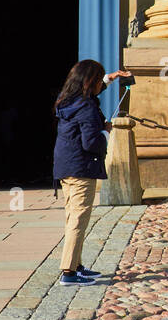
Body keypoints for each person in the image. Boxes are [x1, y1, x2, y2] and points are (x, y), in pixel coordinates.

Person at [52, 59, 131, 286]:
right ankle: (68, 272)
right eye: (99, 79)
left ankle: (76, 265)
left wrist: (109, 79)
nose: (100, 85)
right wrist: (105, 132)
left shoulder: (69, 100)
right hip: (81, 168)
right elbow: (91, 143)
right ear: (90, 82)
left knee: (72, 217)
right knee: (78, 219)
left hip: (66, 166)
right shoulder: (86, 107)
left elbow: (90, 98)